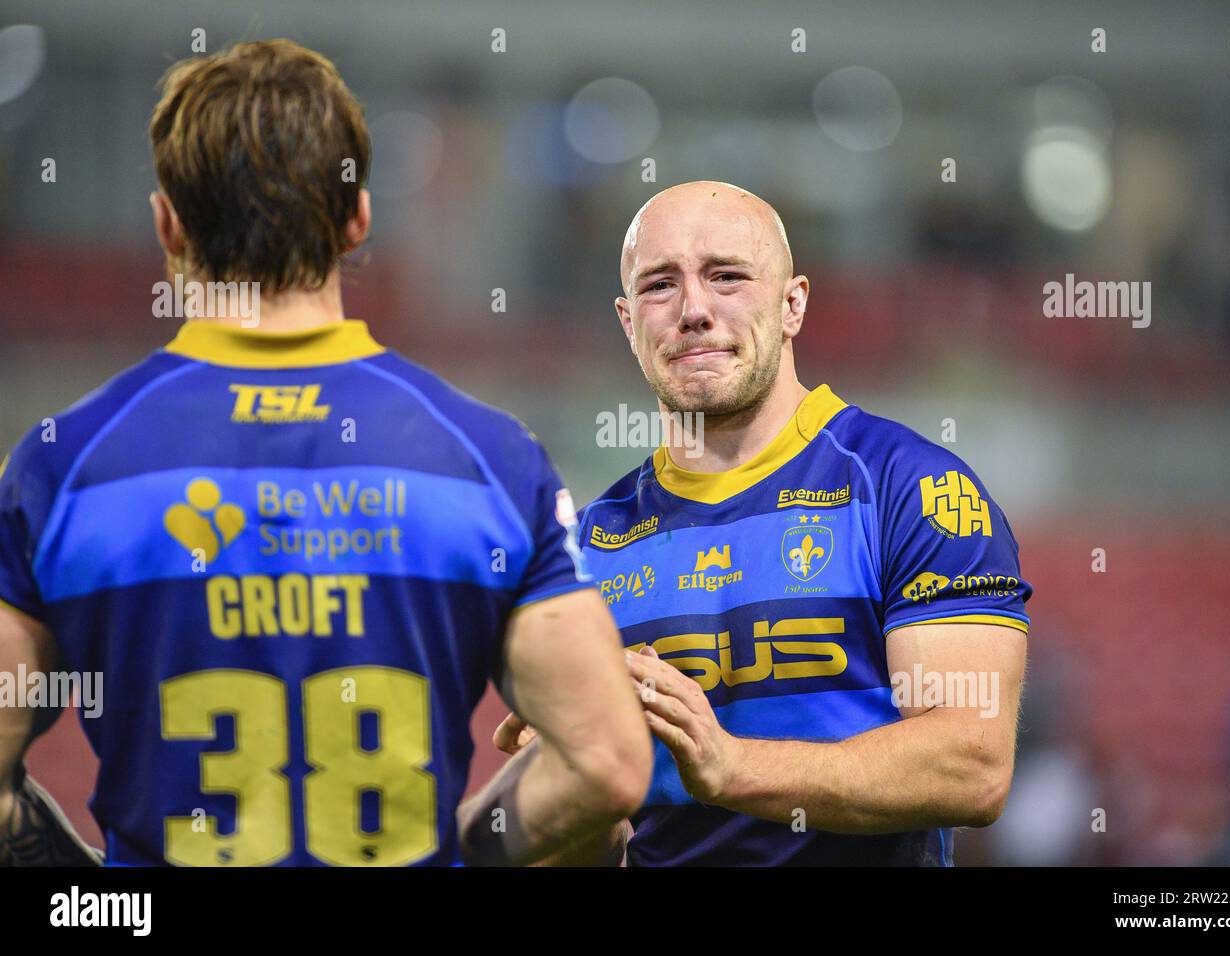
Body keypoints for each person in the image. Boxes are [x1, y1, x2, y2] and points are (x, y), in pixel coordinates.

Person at [0, 39, 650, 867]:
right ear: (357, 218)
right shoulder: (489, 463)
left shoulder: (63, 468)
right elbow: (606, 763)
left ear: (167, 221)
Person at [497, 181, 1031, 865]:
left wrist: (731, 766)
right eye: (660, 285)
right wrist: (575, 779)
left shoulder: (913, 490)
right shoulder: (585, 549)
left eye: (726, 277)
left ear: (792, 304)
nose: (693, 309)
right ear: (629, 322)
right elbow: (596, 841)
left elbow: (973, 765)